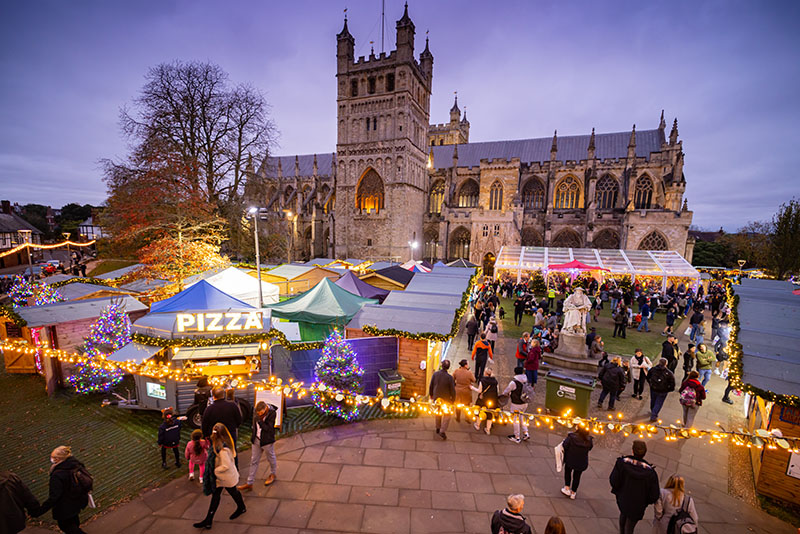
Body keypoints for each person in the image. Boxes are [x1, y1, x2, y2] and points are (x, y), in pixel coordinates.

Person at [194, 423, 247, 529]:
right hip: (225, 477)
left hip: (225, 477)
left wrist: (215, 471)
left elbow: (226, 465)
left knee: (232, 492)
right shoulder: (226, 443)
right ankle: (209, 520)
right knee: (219, 495)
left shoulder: (223, 449)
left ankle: (241, 508)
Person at [34, 446, 90, 534]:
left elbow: (54, 497)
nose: (52, 460)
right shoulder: (76, 465)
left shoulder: (57, 475)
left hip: (64, 507)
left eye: (54, 458)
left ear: (58, 459)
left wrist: (40, 510)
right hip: (77, 502)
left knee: (67, 527)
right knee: (74, 523)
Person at [609, 440, 660, 534]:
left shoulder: (622, 463)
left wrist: (620, 491)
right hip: (638, 505)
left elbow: (614, 480)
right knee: (630, 526)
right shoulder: (651, 473)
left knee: (623, 517)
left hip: (623, 499)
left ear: (632, 451)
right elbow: (654, 495)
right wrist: (645, 501)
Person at [238, 401, 278, 492]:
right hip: (256, 440)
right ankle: (249, 482)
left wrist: (260, 422)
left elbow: (269, 428)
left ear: (265, 409)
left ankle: (273, 473)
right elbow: (254, 425)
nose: (259, 414)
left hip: (267, 441)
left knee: (271, 457)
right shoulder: (256, 413)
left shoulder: (272, 413)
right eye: (258, 412)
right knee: (254, 461)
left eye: (261, 413)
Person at [561, 426, 593, 499]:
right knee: (577, 477)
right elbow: (590, 448)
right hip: (581, 462)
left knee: (568, 472)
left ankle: (567, 488)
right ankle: (573, 492)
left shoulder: (572, 437)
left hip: (570, 459)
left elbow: (565, 445)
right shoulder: (589, 440)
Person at [429, 360, 455, 440]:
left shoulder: (435, 374)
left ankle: (437, 427)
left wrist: (431, 395)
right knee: (447, 415)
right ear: (448, 367)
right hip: (446, 400)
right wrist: (453, 400)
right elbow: (452, 390)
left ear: (442, 365)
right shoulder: (450, 378)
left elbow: (431, 385)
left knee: (438, 412)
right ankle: (442, 430)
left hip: (437, 397)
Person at [503, 367, 530, 443]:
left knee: (516, 420)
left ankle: (516, 437)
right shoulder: (526, 380)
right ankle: (525, 433)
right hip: (525, 403)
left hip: (516, 404)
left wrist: (504, 394)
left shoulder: (514, 382)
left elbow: (506, 391)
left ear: (515, 373)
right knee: (521, 417)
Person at [473, 368, 499, 435]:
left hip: (483, 399)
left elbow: (479, 391)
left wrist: (472, 387)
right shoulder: (495, 381)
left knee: (478, 410)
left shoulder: (483, 380)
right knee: (490, 413)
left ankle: (477, 425)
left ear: (485, 373)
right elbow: (497, 391)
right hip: (492, 400)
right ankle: (488, 429)